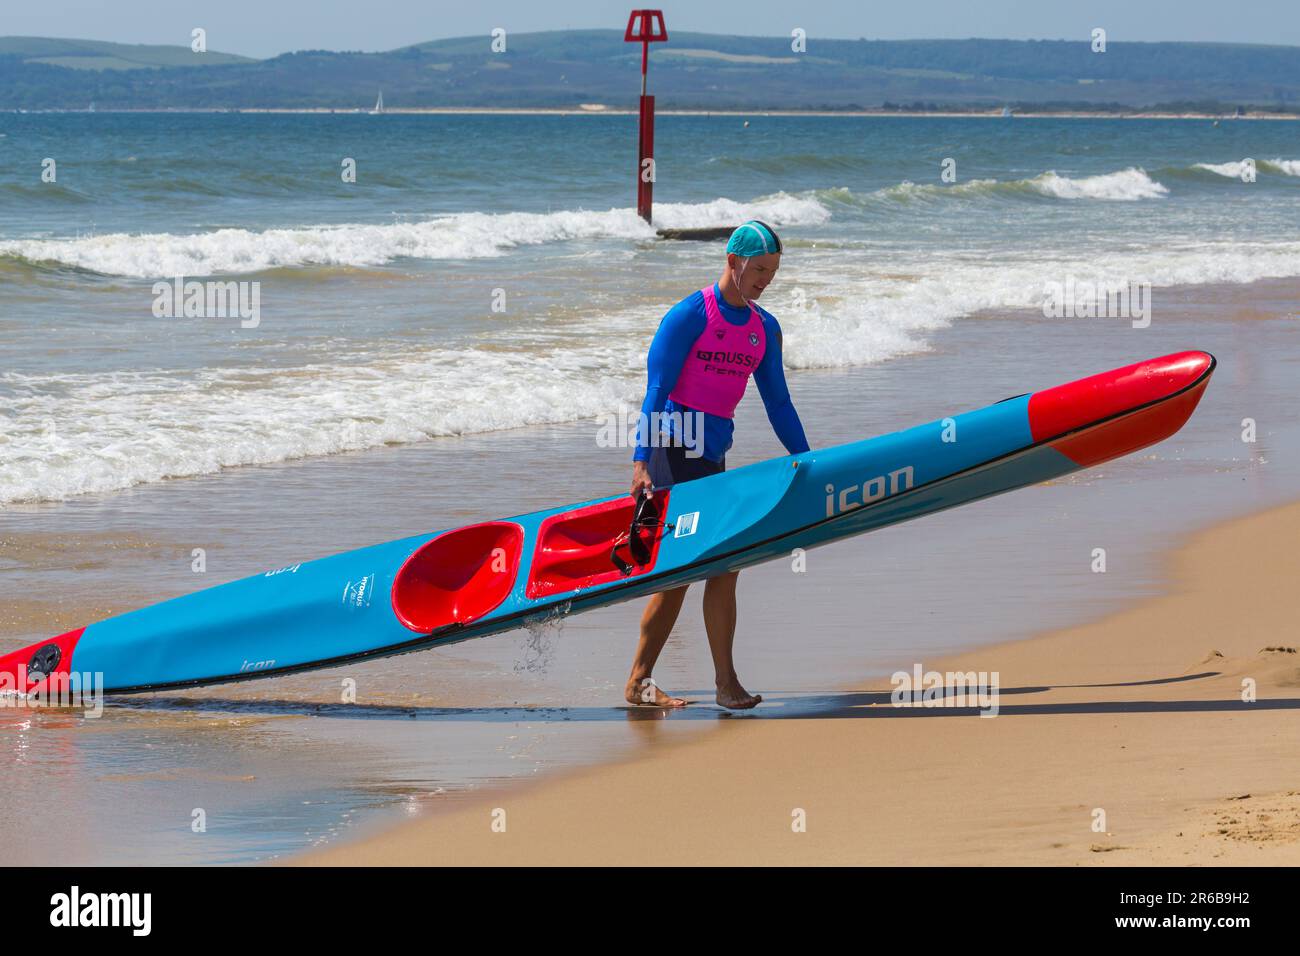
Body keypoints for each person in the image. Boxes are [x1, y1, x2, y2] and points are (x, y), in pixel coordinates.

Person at [626, 220, 810, 710]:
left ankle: (725, 685)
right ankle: (639, 682)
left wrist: (806, 459)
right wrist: (641, 462)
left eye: (772, 272)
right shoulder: (688, 316)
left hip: (712, 454)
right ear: (733, 261)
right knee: (679, 572)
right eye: (759, 269)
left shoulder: (763, 329)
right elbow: (656, 392)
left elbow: (779, 404)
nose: (765, 280)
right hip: (671, 446)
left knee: (727, 565)